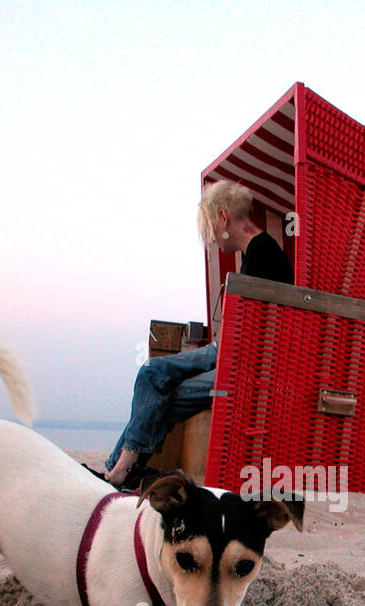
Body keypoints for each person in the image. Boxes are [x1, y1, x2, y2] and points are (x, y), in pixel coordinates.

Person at [97, 179, 293, 488]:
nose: (212, 239)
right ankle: (120, 470)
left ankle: (118, 470)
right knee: (158, 387)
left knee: (153, 375)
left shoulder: (262, 254)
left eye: (210, 228)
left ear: (223, 217)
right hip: (234, 351)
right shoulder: (259, 251)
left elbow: (257, 334)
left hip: (240, 359)